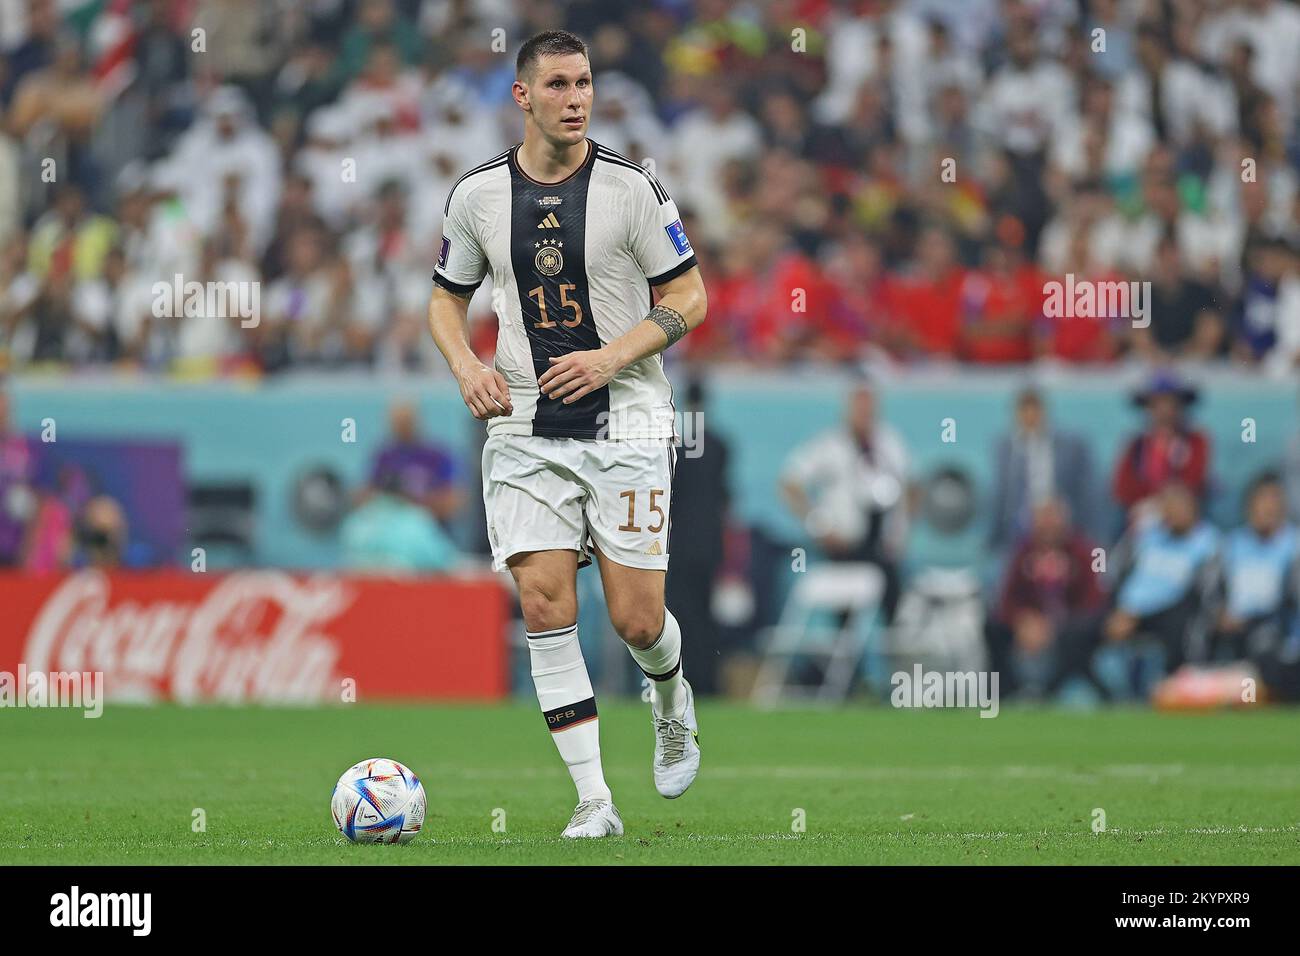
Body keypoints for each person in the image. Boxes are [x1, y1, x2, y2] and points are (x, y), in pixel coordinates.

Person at [426, 32, 708, 839]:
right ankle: (594, 800)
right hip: (521, 421)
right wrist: (463, 365)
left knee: (637, 623)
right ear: (522, 96)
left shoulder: (632, 189)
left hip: (628, 418)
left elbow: (691, 295)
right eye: (557, 84)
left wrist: (610, 357)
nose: (576, 97)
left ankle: (670, 696)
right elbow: (445, 298)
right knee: (545, 601)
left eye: (584, 82)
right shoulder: (477, 195)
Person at [1050, 481, 1219, 699]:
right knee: (1073, 634)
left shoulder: (1208, 543)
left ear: (1194, 508)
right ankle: (1103, 696)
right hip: (1126, 610)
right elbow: (1113, 573)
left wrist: (1136, 615)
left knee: (1183, 630)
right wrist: (1119, 608)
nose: (1173, 511)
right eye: (1168, 505)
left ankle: (1168, 693)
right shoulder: (1144, 537)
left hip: (1171, 614)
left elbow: (1204, 592)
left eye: (1179, 505)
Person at [779, 378, 910, 622]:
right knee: (846, 624)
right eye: (859, 406)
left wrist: (902, 531)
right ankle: (844, 659)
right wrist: (818, 524)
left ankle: (894, 658)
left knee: (895, 616)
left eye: (869, 406)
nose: (864, 413)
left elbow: (909, 487)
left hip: (882, 549)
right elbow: (789, 483)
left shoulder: (889, 443)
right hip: (844, 547)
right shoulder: (829, 445)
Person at [988, 497, 1104, 697]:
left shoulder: (1088, 552)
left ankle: (1055, 692)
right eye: (1043, 519)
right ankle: (1005, 692)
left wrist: (1053, 625)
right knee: (993, 628)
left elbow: (1094, 600)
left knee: (1079, 634)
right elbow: (1007, 598)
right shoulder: (1022, 552)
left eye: (1053, 519)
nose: (1048, 525)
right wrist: (1023, 621)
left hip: (1068, 625)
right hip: (1030, 624)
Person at [989, 386, 1096, 549]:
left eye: (1034, 410)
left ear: (1043, 412)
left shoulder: (1069, 446)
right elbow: (1004, 494)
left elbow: (1083, 490)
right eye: (1025, 411)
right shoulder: (1007, 448)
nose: (1030, 416)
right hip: (1021, 523)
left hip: (1059, 520)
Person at [1111, 370, 1211, 519]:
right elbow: (1122, 488)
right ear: (1148, 408)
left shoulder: (1195, 442)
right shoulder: (1136, 445)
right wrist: (1150, 501)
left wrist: (1166, 503)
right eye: (1157, 404)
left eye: (1171, 403)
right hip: (1142, 515)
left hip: (1184, 517)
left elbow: (1195, 481)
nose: (1165, 411)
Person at [363, 400, 463, 529]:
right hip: (389, 528)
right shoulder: (384, 457)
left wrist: (415, 504)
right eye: (398, 422)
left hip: (430, 528)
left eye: (406, 421)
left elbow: (455, 500)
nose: (402, 426)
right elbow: (366, 495)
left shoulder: (435, 455)